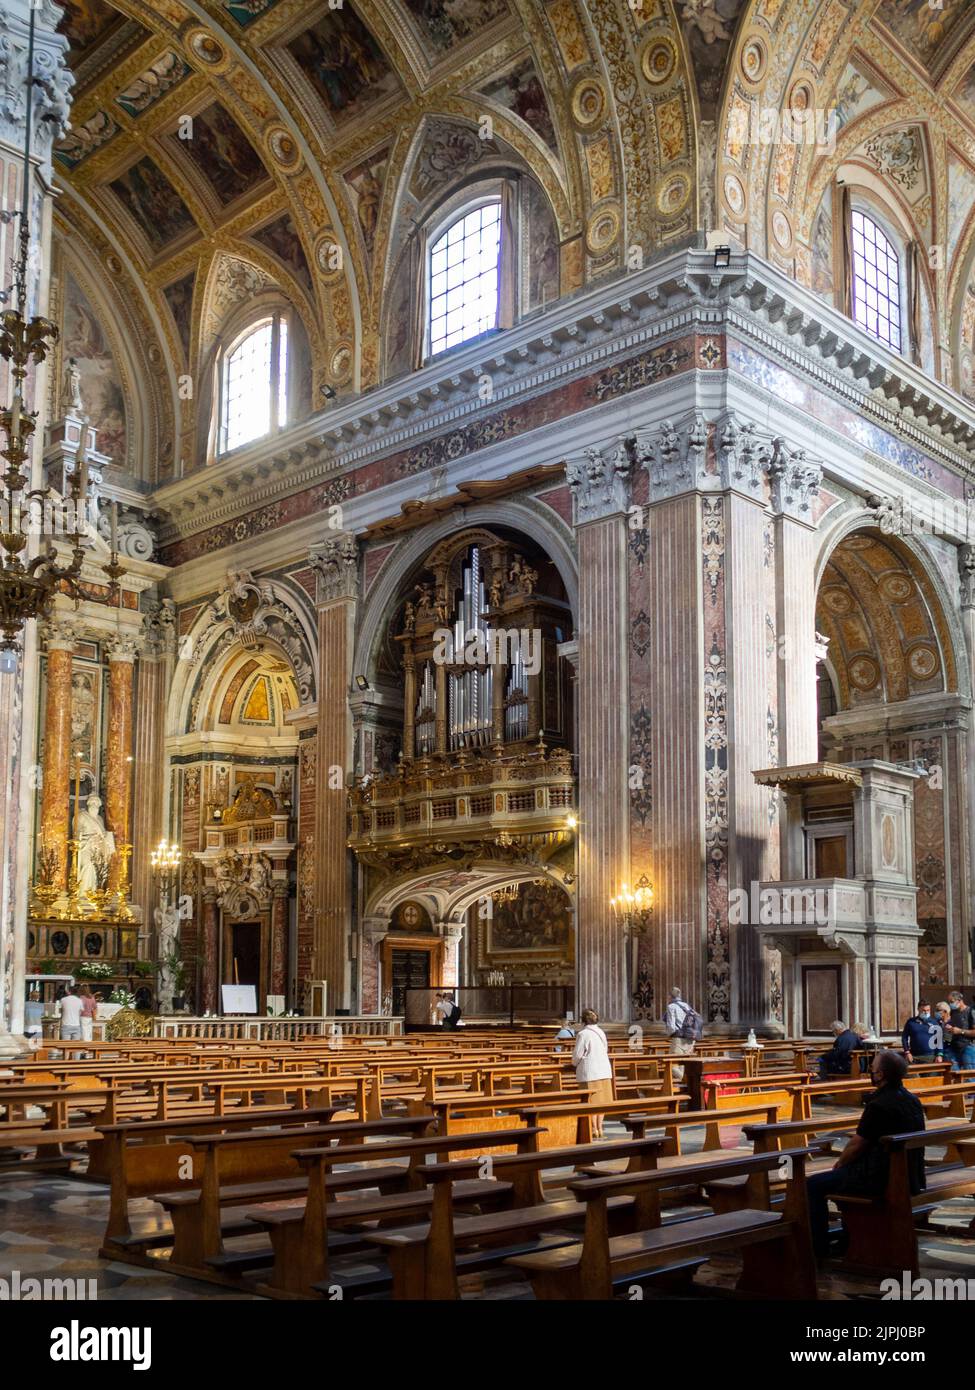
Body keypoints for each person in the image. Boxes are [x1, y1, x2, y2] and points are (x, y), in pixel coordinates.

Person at [806, 1050, 925, 1259]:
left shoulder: (879, 1104)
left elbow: (858, 1143)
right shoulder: (911, 1100)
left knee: (812, 1185)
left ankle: (819, 1247)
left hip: (878, 1177)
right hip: (910, 1173)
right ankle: (847, 1238)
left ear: (881, 1075)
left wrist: (841, 1163)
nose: (870, 1072)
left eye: (872, 1069)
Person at [573, 1008, 613, 1138]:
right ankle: (600, 1128)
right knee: (601, 1101)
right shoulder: (601, 1032)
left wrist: (574, 1063)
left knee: (590, 1101)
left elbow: (578, 1054)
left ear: (583, 1020)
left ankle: (593, 1128)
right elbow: (605, 1049)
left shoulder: (583, 1034)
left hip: (590, 1072)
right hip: (603, 1070)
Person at [664, 987, 701, 1083]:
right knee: (683, 1065)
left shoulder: (671, 1007)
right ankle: (685, 1088)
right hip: (691, 1039)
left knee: (671, 1066)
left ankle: (691, 1082)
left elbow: (671, 1026)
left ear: (670, 996)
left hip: (679, 1039)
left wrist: (669, 1035)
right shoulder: (686, 1006)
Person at [945, 990, 975, 1071]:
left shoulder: (970, 1011)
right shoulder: (953, 1012)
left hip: (968, 1047)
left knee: (969, 1076)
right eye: (949, 1002)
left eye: (952, 1001)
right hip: (954, 1047)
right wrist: (949, 1028)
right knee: (953, 1075)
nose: (950, 1004)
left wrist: (960, 1031)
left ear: (959, 1000)